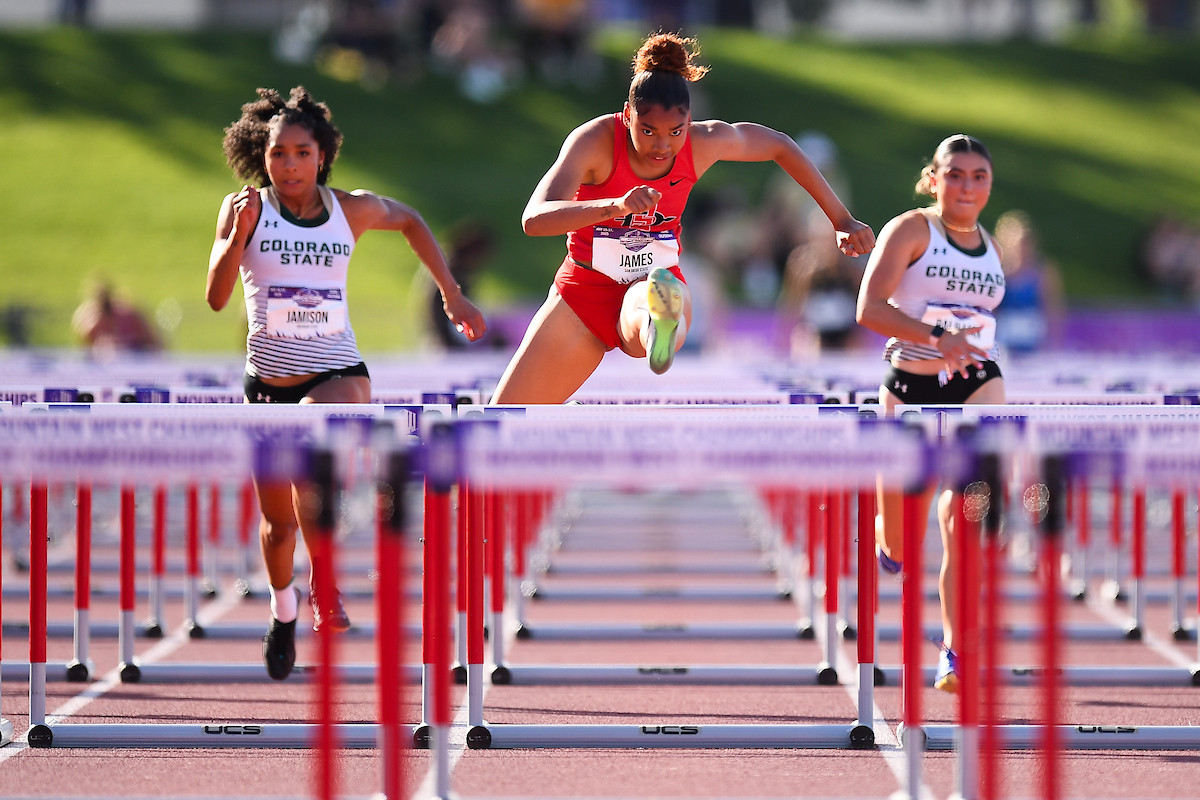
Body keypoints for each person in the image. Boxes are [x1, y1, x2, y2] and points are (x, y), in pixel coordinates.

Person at [206, 85, 486, 680]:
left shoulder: (349, 210)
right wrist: (233, 242)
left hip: (338, 372)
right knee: (277, 527)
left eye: (301, 153)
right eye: (278, 154)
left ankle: (324, 581)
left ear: (321, 155)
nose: (289, 166)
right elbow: (215, 299)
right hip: (267, 384)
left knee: (316, 445)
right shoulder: (246, 210)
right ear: (263, 155)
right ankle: (285, 612)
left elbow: (408, 219)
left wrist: (451, 290)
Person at [489, 31, 874, 404]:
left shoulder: (703, 142)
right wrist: (616, 207)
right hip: (584, 287)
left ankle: (659, 323)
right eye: (648, 130)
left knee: (645, 303)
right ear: (627, 116)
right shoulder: (594, 142)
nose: (662, 145)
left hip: (655, 278)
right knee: (499, 420)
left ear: (689, 121)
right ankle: (659, 324)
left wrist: (841, 219)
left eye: (676, 131)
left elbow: (779, 146)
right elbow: (535, 219)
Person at [854, 133, 1005, 693]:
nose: (967, 186)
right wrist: (936, 338)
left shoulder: (991, 244)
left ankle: (955, 651)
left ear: (990, 184)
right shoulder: (912, 230)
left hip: (977, 384)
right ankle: (886, 538)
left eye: (979, 176)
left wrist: (958, 344)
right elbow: (868, 308)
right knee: (899, 548)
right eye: (956, 174)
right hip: (909, 387)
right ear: (933, 178)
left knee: (963, 519)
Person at [992, 209, 1065, 354]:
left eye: (1028, 243)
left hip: (1033, 337)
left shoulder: (1043, 271)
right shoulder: (1000, 272)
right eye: (1021, 243)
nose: (1024, 248)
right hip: (1005, 339)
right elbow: (993, 309)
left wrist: (1054, 340)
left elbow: (1052, 306)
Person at [71, 280, 163, 356]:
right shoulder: (89, 321)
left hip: (137, 358)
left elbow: (153, 340)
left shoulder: (129, 313)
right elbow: (85, 350)